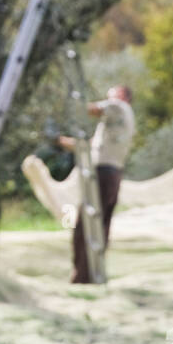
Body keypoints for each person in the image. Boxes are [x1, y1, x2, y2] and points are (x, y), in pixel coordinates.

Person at [57, 85, 136, 283]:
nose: (107, 97)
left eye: (110, 94)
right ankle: (94, 273)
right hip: (112, 174)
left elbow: (90, 109)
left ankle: (82, 277)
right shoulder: (117, 122)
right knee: (100, 225)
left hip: (103, 174)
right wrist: (59, 141)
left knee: (86, 225)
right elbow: (91, 145)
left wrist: (63, 102)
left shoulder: (118, 107)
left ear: (122, 96)